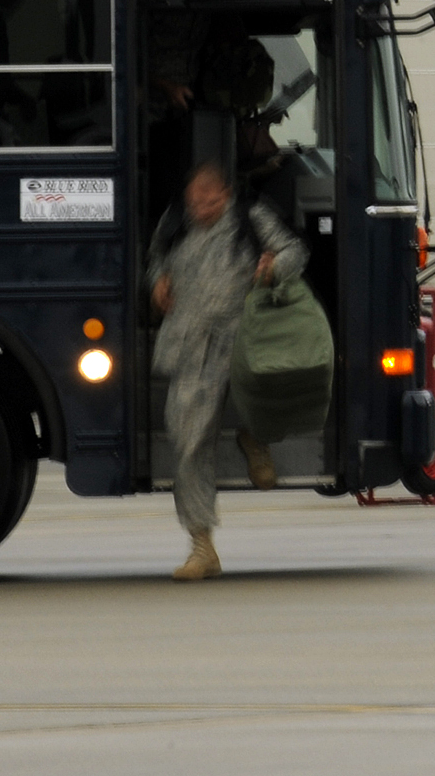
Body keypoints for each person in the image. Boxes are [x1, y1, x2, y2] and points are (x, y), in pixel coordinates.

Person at [148, 160, 304, 581]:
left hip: (242, 333)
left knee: (272, 386)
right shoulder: (176, 221)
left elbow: (294, 252)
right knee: (188, 440)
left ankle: (256, 437)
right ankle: (202, 546)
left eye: (211, 200)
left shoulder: (249, 217)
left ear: (226, 196)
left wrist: (271, 267)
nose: (202, 207)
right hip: (189, 344)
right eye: (196, 201)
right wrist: (158, 281)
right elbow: (155, 260)